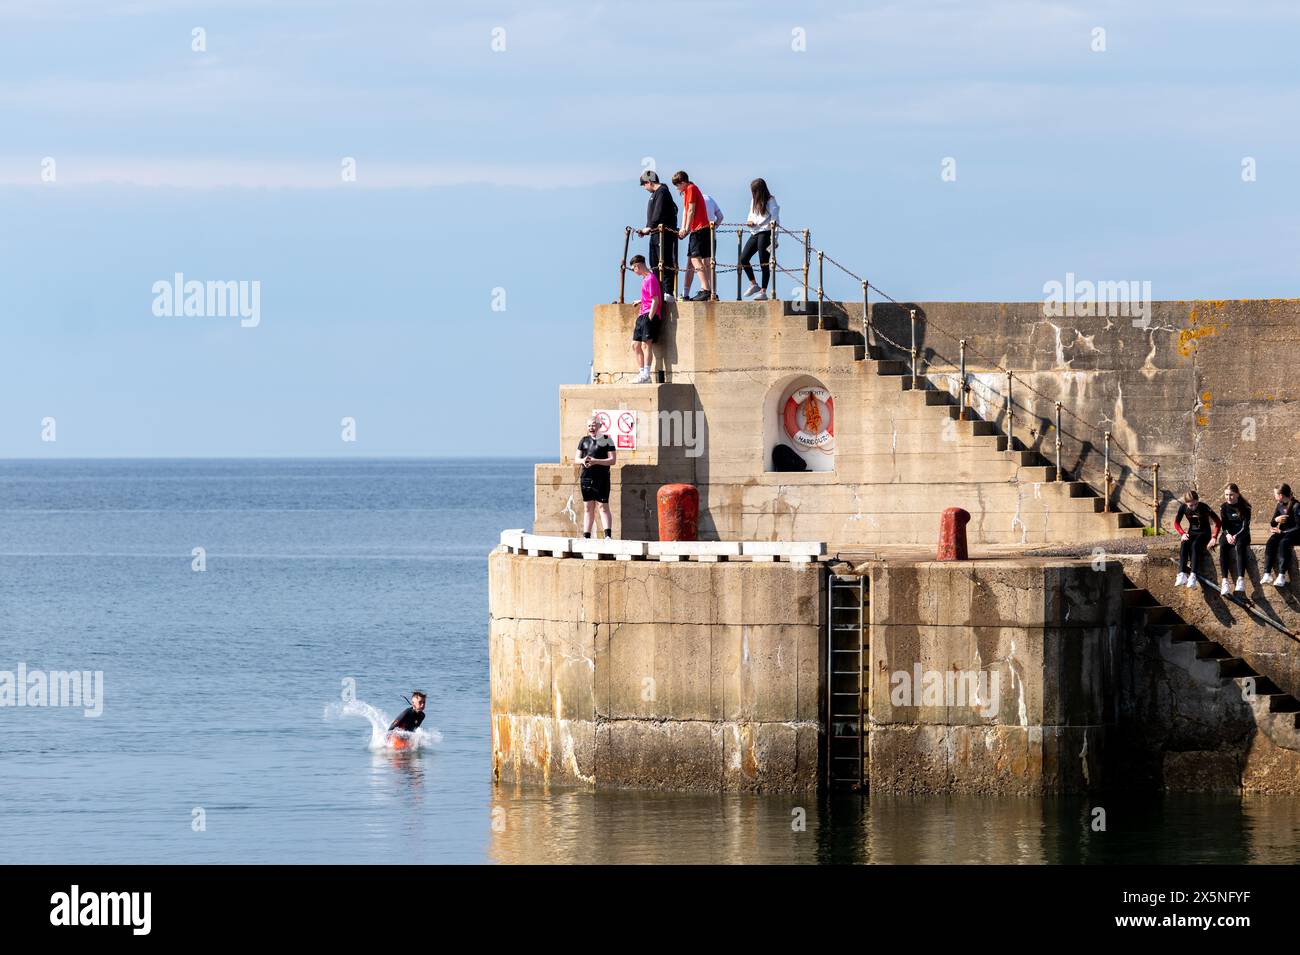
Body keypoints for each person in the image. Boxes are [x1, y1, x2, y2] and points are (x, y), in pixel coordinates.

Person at [671, 170, 715, 302]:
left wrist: (686, 229)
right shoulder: (689, 190)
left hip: (699, 229)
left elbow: (691, 210)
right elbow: (688, 212)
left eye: (677, 185)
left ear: (683, 182)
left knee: (695, 260)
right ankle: (707, 289)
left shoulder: (690, 188)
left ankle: (706, 289)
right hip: (704, 229)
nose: (677, 188)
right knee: (703, 260)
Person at [637, 170, 678, 302]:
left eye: (644, 184)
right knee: (655, 264)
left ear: (649, 182)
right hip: (654, 234)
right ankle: (658, 291)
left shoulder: (662, 192)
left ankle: (668, 292)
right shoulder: (655, 194)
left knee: (665, 261)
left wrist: (649, 227)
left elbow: (659, 212)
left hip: (663, 234)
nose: (644, 187)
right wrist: (647, 229)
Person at [577, 415, 617, 538]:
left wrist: (595, 461)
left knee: (603, 506)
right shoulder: (583, 440)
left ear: (600, 426)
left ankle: (608, 536)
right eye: (589, 425)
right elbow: (576, 458)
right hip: (586, 478)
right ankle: (586, 536)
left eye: (594, 425)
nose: (591, 427)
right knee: (588, 507)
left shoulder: (607, 440)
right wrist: (583, 460)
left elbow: (612, 460)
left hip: (602, 478)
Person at [741, 178, 780, 301]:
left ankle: (763, 291)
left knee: (763, 262)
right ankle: (754, 284)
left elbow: (775, 221)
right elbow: (751, 214)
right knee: (744, 258)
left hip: (766, 233)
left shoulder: (770, 200)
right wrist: (750, 222)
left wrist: (774, 239)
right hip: (755, 233)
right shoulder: (753, 200)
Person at [1173, 490, 1220, 588]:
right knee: (1185, 543)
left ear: (1198, 501)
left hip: (1204, 533)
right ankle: (1182, 574)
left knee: (1194, 545)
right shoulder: (1183, 508)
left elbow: (1218, 521)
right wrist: (1182, 534)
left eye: (1195, 504)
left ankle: (1193, 575)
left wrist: (1214, 537)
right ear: (1186, 504)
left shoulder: (1204, 507)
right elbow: (1176, 523)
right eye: (1191, 506)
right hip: (1192, 532)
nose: (1194, 507)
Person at [683, 193, 724, 300]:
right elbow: (720, 217)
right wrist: (714, 228)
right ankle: (713, 292)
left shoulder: (690, 198)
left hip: (697, 233)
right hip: (710, 234)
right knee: (710, 264)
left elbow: (687, 215)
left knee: (692, 263)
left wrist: (685, 230)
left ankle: (687, 294)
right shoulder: (709, 198)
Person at [628, 254, 661, 384]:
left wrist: (650, 317)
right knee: (635, 345)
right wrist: (639, 300)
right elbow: (648, 297)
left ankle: (646, 374)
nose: (634, 271)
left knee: (646, 344)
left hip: (648, 315)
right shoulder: (645, 279)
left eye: (634, 268)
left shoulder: (651, 278)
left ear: (638, 266)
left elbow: (655, 300)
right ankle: (641, 372)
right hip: (642, 314)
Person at [1213, 483, 1251, 595]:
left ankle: (1240, 580)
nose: (1228, 497)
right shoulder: (1223, 507)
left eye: (1231, 495)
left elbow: (1245, 527)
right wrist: (1228, 535)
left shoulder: (1246, 508)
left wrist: (1236, 536)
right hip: (1228, 534)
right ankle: (1225, 581)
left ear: (1237, 494)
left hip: (1242, 534)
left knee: (1239, 546)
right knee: (1223, 546)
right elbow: (1224, 525)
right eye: (1226, 495)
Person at [1262, 483, 1300, 588]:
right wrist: (1276, 520)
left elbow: (1298, 527)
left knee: (1283, 543)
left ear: (1281, 495)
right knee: (1271, 541)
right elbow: (1273, 523)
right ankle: (1267, 573)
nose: (1274, 496)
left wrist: (1282, 532)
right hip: (1283, 532)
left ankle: (1282, 575)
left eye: (1275, 494)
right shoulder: (1279, 505)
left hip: (1295, 534)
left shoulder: (1296, 506)